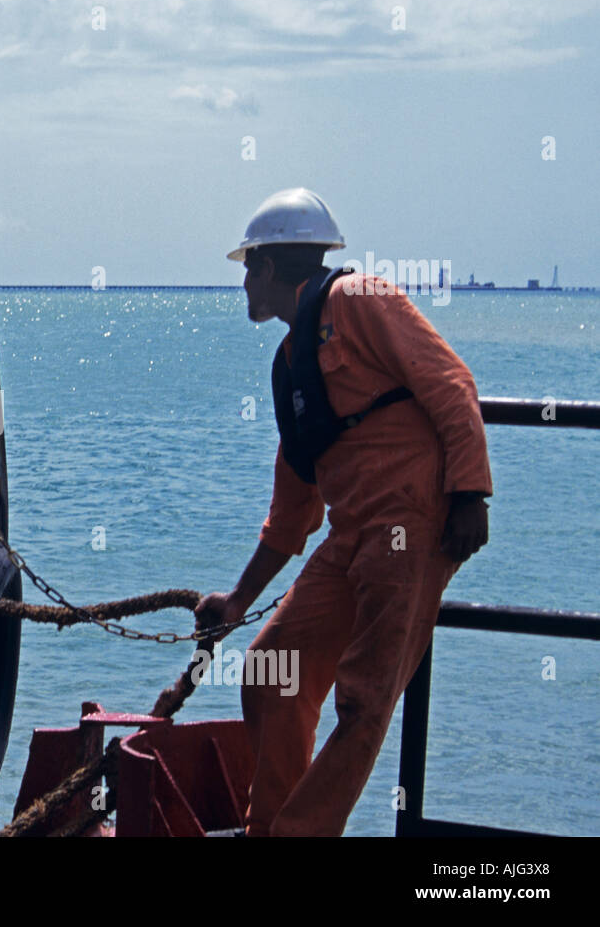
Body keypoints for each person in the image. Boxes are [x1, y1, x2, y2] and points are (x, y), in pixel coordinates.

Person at [196, 188, 492, 836]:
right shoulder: (289, 366)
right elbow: (293, 508)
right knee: (272, 670)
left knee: (363, 700)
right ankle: (268, 826)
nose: (244, 283)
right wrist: (237, 603)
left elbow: (449, 382)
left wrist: (470, 492)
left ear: (270, 269)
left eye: (248, 267)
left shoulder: (360, 300)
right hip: (349, 536)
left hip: (410, 523)